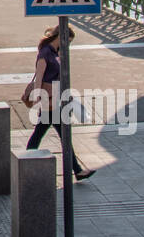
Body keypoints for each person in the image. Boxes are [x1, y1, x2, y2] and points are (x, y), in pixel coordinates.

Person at [22, 23, 94, 180]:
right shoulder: (45, 52)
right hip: (49, 99)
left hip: (55, 98)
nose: (68, 44)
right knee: (60, 135)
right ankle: (77, 170)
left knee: (41, 133)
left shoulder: (55, 52)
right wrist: (38, 95)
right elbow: (39, 75)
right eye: (67, 41)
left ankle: (26, 161)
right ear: (60, 37)